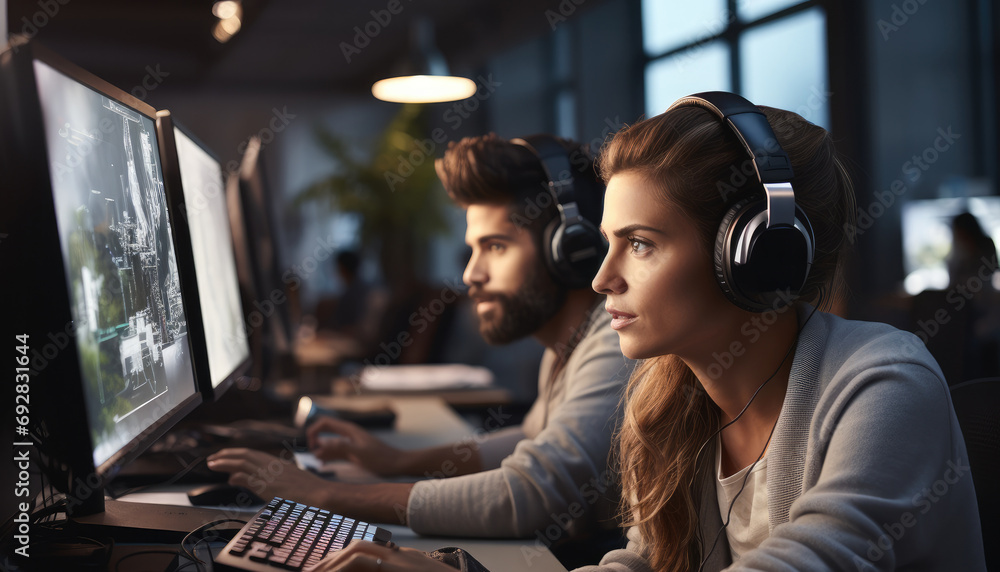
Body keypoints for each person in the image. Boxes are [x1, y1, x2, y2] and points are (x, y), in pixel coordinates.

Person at [315, 94, 987, 571]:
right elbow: (639, 563)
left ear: (754, 257)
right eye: (606, 244)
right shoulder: (667, 399)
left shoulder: (884, 385)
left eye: (639, 244)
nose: (602, 278)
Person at [208, 133, 631, 563]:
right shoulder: (566, 346)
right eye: (473, 250)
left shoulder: (617, 347)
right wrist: (395, 459)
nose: (471, 274)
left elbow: (530, 492)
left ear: (571, 249)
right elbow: (530, 436)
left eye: (496, 247)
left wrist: (327, 494)